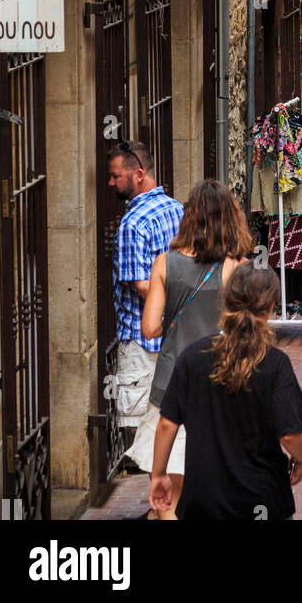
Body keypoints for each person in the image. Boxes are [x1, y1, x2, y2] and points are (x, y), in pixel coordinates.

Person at [128, 179, 254, 517]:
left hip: (173, 382)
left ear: (190, 217)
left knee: (169, 497)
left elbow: (150, 327)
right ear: (231, 218)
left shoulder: (165, 263)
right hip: (222, 384)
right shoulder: (239, 268)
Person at [150, 260, 302, 520]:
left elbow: (167, 424)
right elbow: (290, 436)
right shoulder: (274, 363)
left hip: (205, 499)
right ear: (271, 307)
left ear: (226, 301)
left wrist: (158, 475)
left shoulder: (193, 356)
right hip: (262, 500)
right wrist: (301, 459)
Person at [109, 143, 184, 437]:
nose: (110, 182)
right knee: (173, 427)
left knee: (141, 436)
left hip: (143, 342)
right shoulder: (176, 208)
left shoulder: (133, 224)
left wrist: (162, 317)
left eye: (116, 176)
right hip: (175, 339)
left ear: (138, 174)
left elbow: (143, 286)